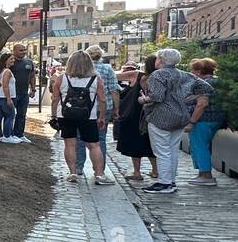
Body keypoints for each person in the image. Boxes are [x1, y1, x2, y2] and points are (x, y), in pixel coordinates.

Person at [137, 48, 212, 195]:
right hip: (180, 115)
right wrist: (188, 98)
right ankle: (171, 181)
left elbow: (156, 97)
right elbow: (207, 88)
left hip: (161, 116)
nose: (156, 60)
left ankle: (164, 182)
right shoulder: (185, 75)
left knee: (162, 151)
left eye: (158, 58)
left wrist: (143, 99)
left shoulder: (157, 75)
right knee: (172, 150)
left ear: (162, 60)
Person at [52, 50, 112, 184]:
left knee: (70, 144)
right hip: (88, 116)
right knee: (94, 145)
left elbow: (55, 99)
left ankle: (73, 172)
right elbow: (102, 100)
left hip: (66, 115)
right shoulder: (96, 79)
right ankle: (99, 174)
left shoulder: (62, 78)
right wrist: (101, 117)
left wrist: (53, 116)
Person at [73, 46, 121, 176]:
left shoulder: (82, 69)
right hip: (103, 108)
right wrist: (117, 109)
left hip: (83, 108)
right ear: (101, 56)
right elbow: (114, 91)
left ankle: (78, 167)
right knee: (100, 139)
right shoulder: (107, 69)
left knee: (80, 138)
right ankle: (100, 169)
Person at [114, 54, 158, 181]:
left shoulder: (137, 75)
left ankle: (137, 172)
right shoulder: (159, 78)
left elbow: (114, 76)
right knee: (150, 143)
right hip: (151, 114)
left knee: (134, 143)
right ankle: (155, 170)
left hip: (133, 114)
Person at [186, 58, 222, 186]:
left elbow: (202, 104)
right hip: (216, 118)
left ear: (199, 71)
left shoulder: (202, 84)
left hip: (202, 119)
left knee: (199, 146)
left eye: (193, 70)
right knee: (204, 146)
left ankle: (206, 174)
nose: (191, 73)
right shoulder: (218, 81)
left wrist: (192, 122)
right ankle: (202, 173)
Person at [9, 43, 36, 141]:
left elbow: (32, 76)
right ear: (14, 51)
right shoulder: (10, 62)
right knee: (10, 114)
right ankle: (9, 134)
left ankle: (19, 134)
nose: (23, 52)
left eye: (24, 50)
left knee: (22, 114)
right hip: (12, 93)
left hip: (24, 94)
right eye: (21, 50)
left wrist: (33, 89)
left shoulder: (29, 62)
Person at [0, 52, 20, 143]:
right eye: (11, 59)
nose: (13, 60)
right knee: (10, 115)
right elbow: (5, 86)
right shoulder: (7, 71)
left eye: (13, 59)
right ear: (5, 60)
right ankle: (7, 136)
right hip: (4, 97)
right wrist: (9, 98)